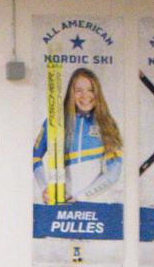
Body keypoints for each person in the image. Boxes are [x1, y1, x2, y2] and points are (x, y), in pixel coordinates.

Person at [33, 67, 124, 203]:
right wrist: (45, 188)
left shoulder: (107, 124)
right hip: (61, 203)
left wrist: (81, 197)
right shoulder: (54, 122)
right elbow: (34, 157)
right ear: (71, 93)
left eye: (90, 90)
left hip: (97, 204)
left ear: (97, 93)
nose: (85, 96)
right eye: (79, 90)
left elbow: (113, 173)